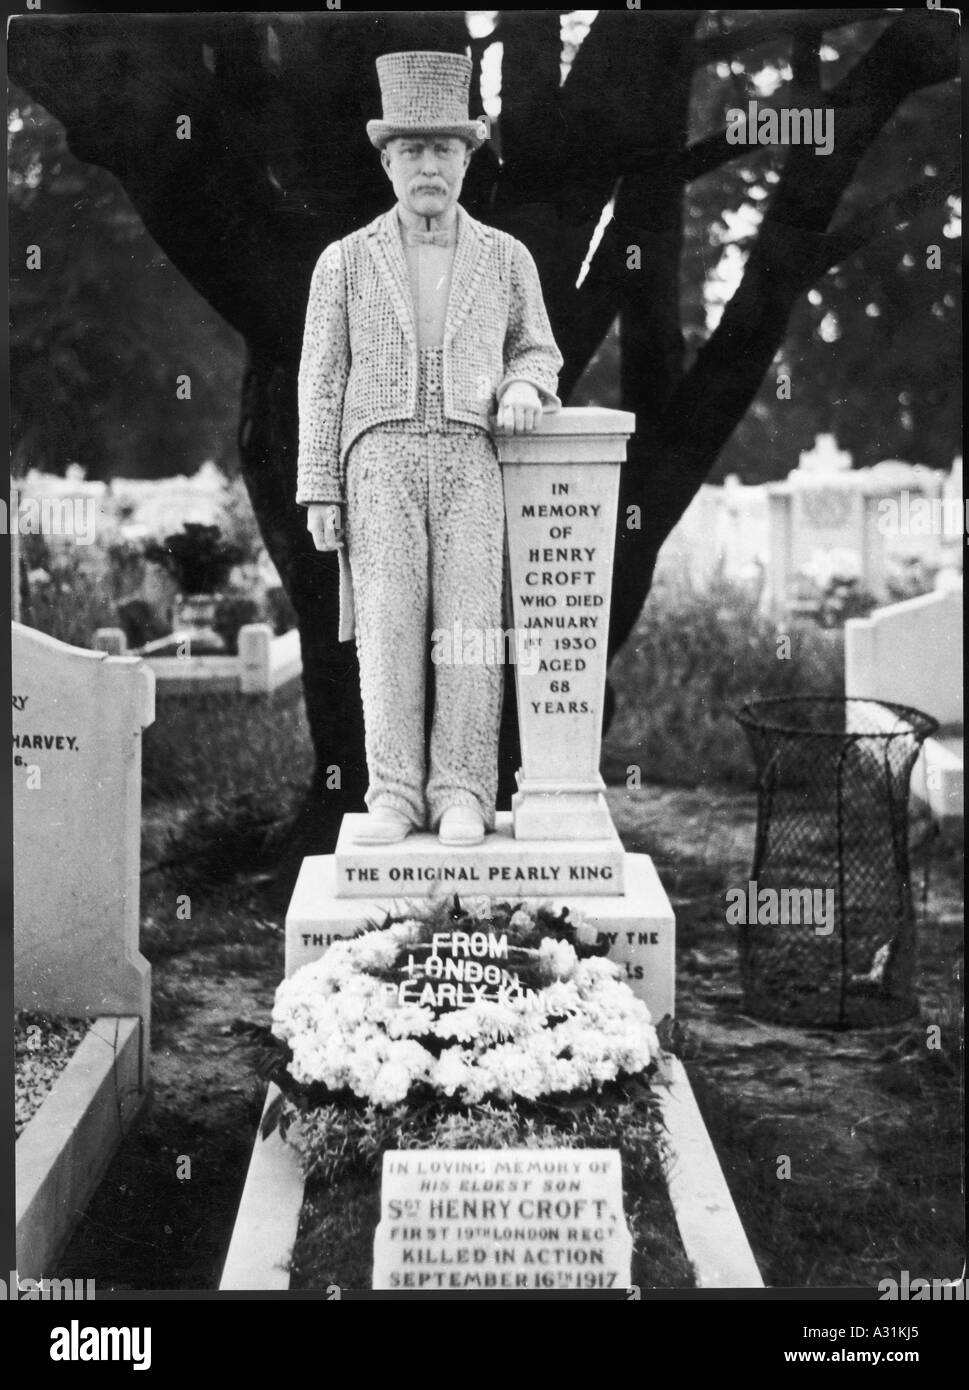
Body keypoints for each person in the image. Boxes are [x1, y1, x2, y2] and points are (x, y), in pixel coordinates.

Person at [297, 50, 563, 847]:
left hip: (471, 457)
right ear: (385, 161)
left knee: (472, 629)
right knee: (386, 628)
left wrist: (522, 388)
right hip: (376, 461)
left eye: (443, 149)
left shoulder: (506, 257)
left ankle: (462, 792)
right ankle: (392, 795)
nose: (427, 165)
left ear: (466, 158)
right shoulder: (342, 261)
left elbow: (537, 350)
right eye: (411, 150)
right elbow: (319, 378)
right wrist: (320, 488)